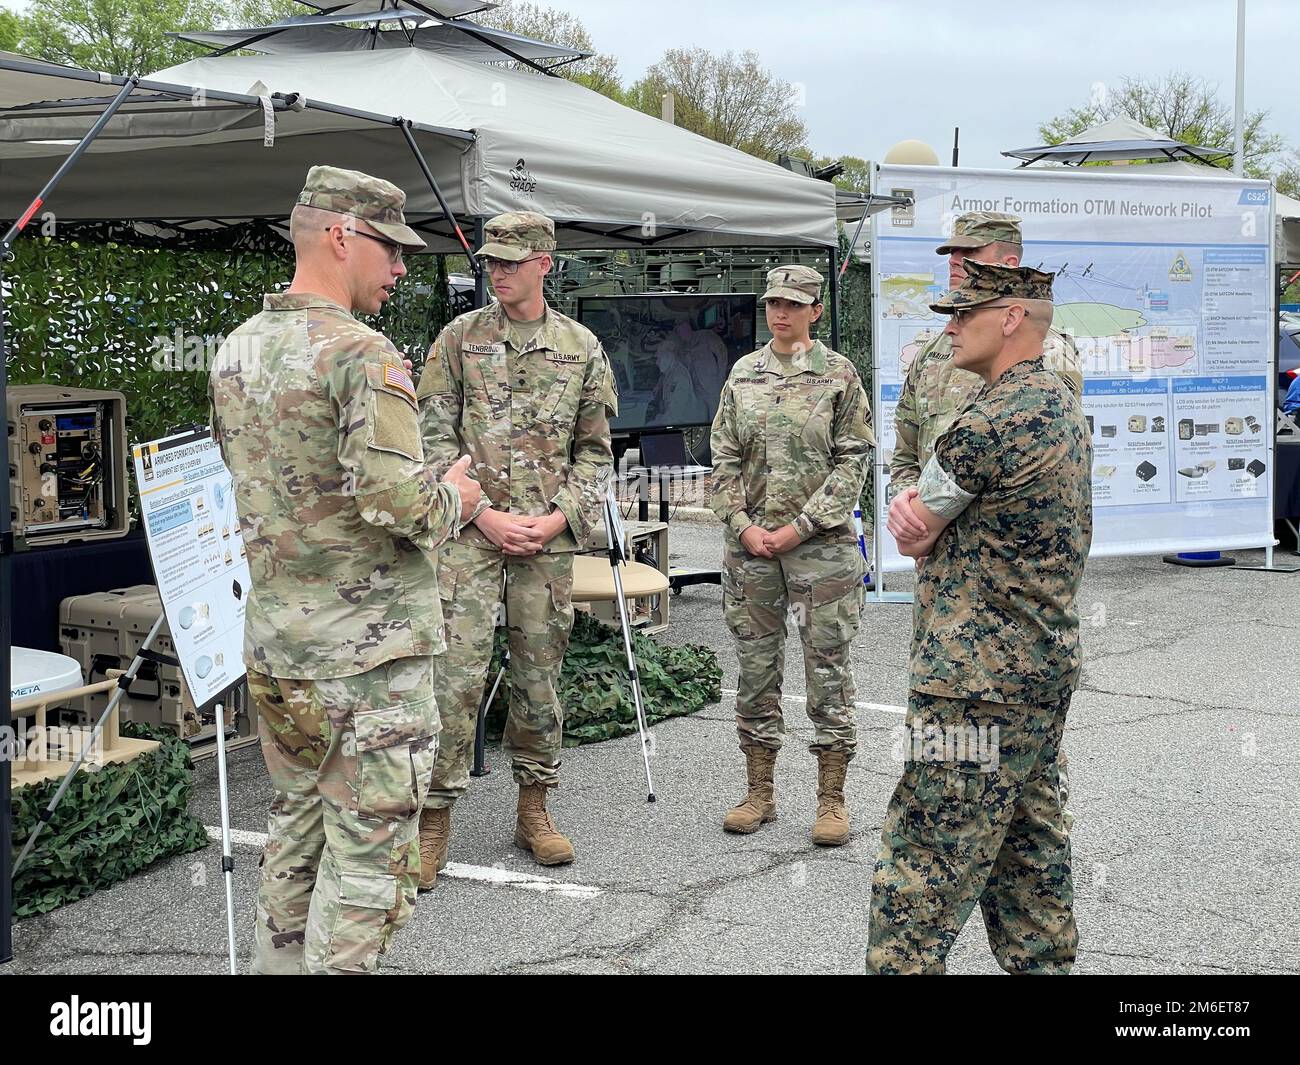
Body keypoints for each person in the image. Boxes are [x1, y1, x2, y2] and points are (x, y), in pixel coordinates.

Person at [208, 165, 480, 974]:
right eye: (389, 249)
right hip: (367, 663)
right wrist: (458, 493)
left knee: (294, 838)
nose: (400, 268)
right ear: (339, 237)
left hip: (278, 653)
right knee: (366, 871)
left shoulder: (236, 349)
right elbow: (399, 505)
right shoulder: (363, 354)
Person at [867, 261, 1092, 975]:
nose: (952, 325)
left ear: (1013, 318)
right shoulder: (1059, 403)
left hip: (973, 684)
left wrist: (920, 523)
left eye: (967, 312)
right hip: (1037, 673)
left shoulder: (990, 417)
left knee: (922, 871)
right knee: (1030, 858)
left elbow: (913, 530)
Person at [414, 211, 617, 883]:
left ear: (544, 264)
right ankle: (434, 817)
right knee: (454, 678)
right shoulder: (458, 340)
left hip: (546, 542)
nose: (497, 270)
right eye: (491, 261)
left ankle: (535, 808)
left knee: (538, 679)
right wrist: (482, 515)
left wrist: (561, 517)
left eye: (511, 260)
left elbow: (595, 453)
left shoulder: (581, 347)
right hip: (472, 536)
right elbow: (432, 440)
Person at [887, 210, 1081, 824]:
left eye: (970, 254)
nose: (955, 263)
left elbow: (1024, 457)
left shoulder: (1050, 357)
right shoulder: (934, 353)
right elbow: (906, 452)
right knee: (1016, 830)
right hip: (946, 588)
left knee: (969, 811)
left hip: (1008, 603)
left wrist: (930, 518)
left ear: (1009, 262)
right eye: (951, 254)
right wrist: (907, 509)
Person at [710, 265, 874, 846]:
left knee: (826, 671)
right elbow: (723, 460)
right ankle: (759, 792)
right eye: (773, 302)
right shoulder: (743, 374)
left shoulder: (838, 375)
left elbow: (856, 459)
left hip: (820, 552)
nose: (779, 313)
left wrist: (800, 527)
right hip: (753, 552)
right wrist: (743, 525)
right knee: (756, 671)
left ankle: (831, 800)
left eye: (792, 304)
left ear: (814, 311)